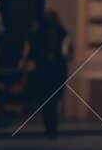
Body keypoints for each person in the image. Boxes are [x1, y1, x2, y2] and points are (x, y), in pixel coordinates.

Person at [22, 9, 70, 138]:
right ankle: (52, 129)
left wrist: (28, 62)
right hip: (58, 69)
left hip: (43, 69)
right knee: (53, 100)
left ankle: (49, 128)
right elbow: (67, 52)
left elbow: (31, 49)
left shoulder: (39, 32)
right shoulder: (62, 32)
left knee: (45, 100)